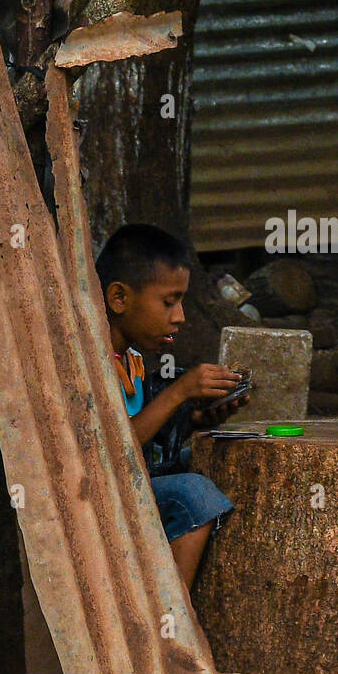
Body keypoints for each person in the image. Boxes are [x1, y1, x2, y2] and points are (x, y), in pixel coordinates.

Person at [95, 223, 248, 593]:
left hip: (131, 482)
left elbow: (146, 441)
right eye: (168, 302)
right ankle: (171, 619)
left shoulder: (131, 359)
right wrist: (177, 393)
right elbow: (111, 451)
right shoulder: (90, 362)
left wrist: (195, 418)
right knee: (193, 495)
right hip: (100, 494)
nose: (179, 316)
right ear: (119, 298)